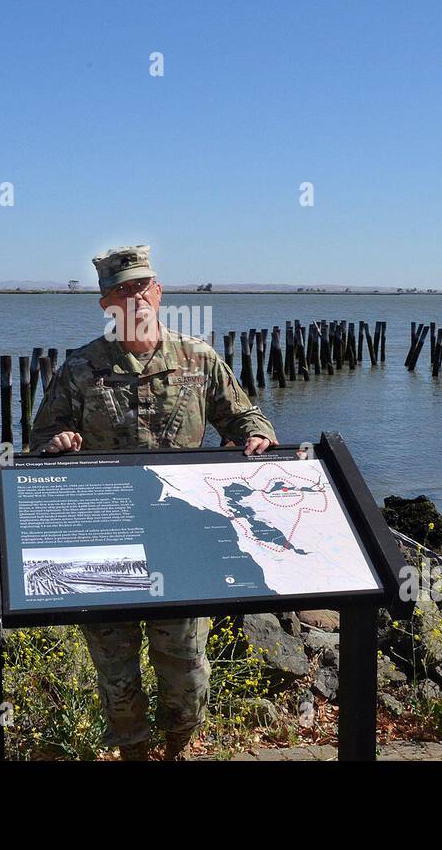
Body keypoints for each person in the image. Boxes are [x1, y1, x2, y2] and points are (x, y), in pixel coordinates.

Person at [30, 245, 277, 760]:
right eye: (121, 290)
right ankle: (134, 753)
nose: (134, 297)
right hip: (105, 540)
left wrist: (256, 437)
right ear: (104, 303)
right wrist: (58, 445)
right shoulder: (79, 369)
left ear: (159, 292)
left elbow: (245, 418)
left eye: (142, 286)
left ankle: (179, 747)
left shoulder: (197, 359)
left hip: (181, 539)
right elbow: (40, 442)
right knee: (116, 669)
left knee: (185, 665)